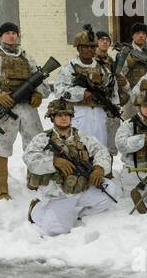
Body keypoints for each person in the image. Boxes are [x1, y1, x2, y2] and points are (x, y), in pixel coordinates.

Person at [0, 22, 50, 200]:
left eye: (14, 33)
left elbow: (42, 82)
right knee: (2, 148)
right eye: (7, 33)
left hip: (27, 108)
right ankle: (1, 188)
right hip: (6, 108)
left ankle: (34, 181)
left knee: (35, 143)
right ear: (1, 36)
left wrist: (38, 95)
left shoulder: (27, 58)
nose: (11, 36)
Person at [23, 99, 119, 235]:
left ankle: (76, 213)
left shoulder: (83, 137)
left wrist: (99, 168)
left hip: (81, 188)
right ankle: (36, 210)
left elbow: (101, 151)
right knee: (57, 230)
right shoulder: (42, 138)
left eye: (67, 115)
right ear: (52, 117)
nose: (63, 118)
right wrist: (54, 161)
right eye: (59, 115)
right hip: (58, 194)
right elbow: (29, 158)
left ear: (71, 117)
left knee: (110, 192)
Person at [54, 31, 120, 160]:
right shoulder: (69, 68)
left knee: (100, 148)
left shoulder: (103, 68)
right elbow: (59, 90)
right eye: (85, 47)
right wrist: (81, 93)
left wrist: (114, 108)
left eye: (92, 47)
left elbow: (113, 91)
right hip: (79, 113)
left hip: (100, 114)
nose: (88, 50)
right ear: (78, 48)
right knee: (79, 148)